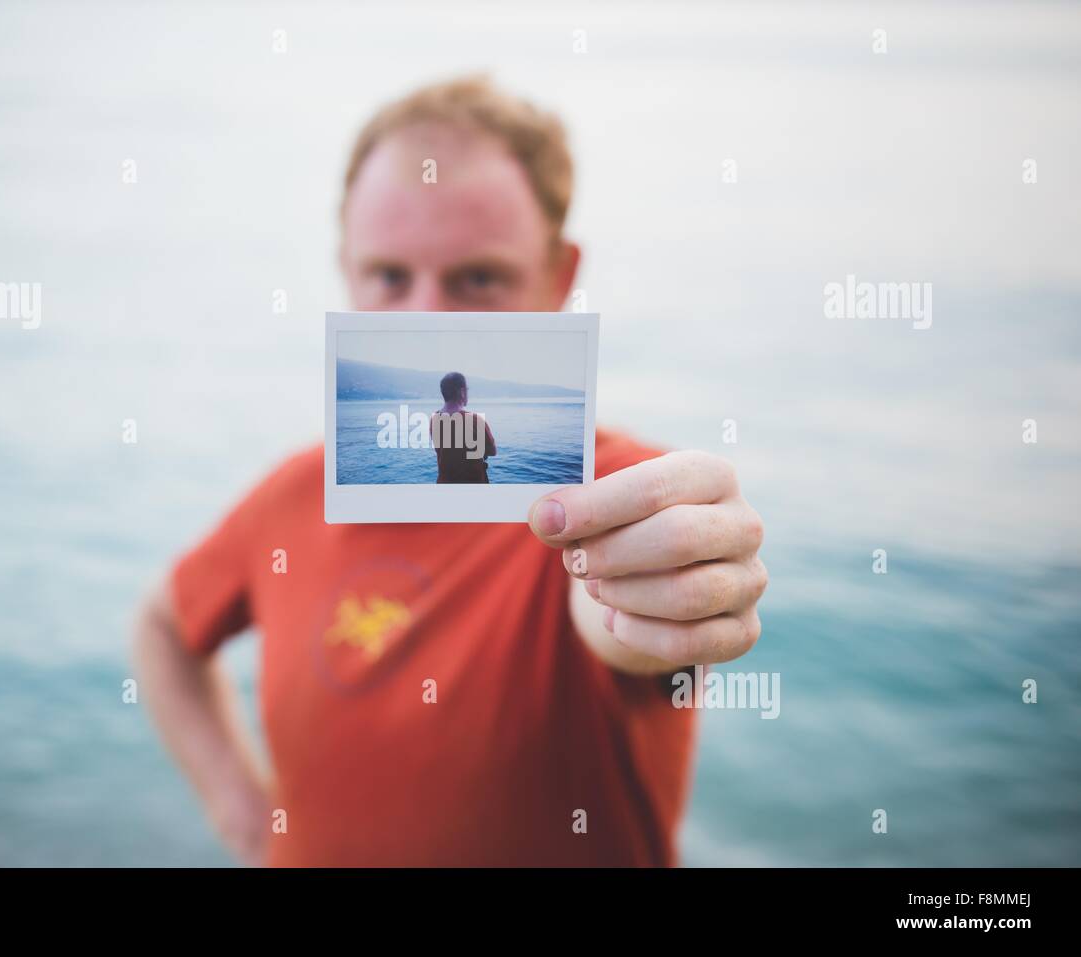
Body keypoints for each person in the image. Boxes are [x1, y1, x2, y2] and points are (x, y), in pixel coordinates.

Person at [134, 75, 767, 867]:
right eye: (390, 276)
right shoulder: (292, 496)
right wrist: (250, 821)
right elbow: (163, 626)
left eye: (478, 279)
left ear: (559, 275)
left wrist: (668, 590)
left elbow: (614, 614)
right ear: (345, 272)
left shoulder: (606, 491)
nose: (427, 316)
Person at [430, 372, 496, 483]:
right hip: (473, 487)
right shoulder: (475, 420)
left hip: (444, 485)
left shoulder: (434, 419)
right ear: (462, 392)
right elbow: (493, 451)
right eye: (467, 390)